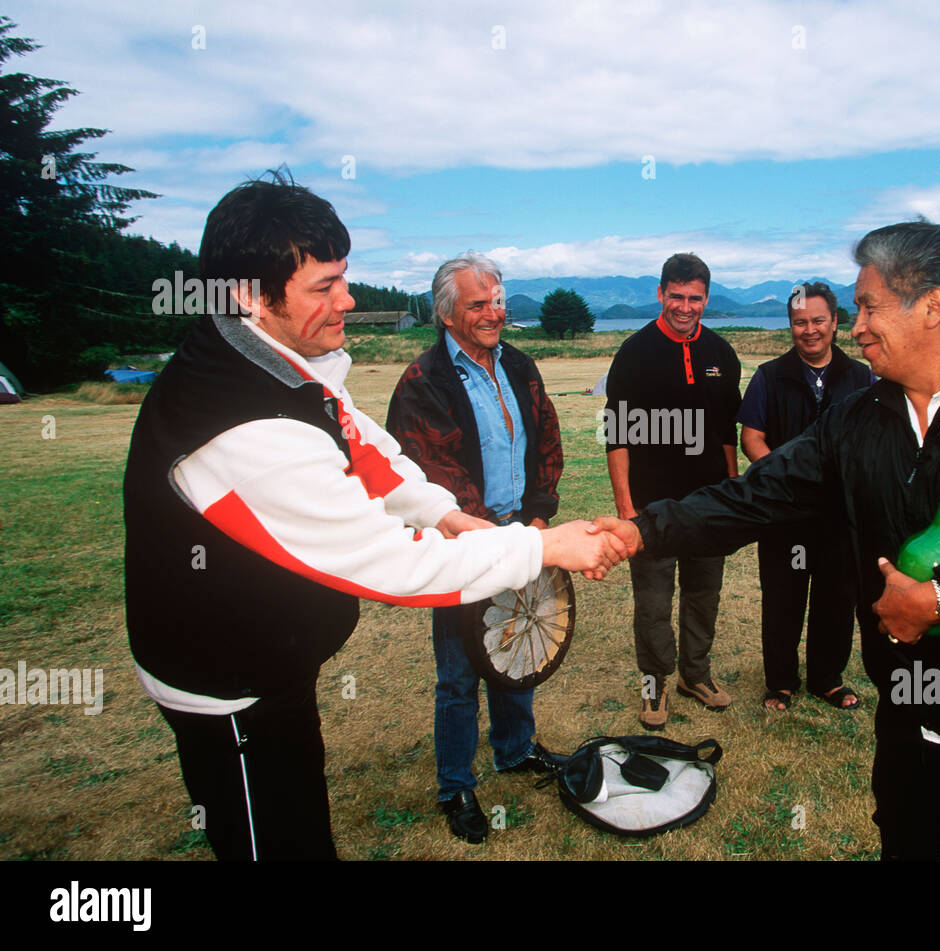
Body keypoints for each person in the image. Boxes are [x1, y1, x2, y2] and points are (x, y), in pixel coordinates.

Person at [123, 174, 624, 861]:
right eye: (324, 286)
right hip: (228, 689)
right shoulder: (245, 431)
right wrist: (541, 550)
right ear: (248, 295)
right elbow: (394, 563)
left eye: (344, 279)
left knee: (301, 814)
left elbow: (372, 453)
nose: (348, 300)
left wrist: (453, 519)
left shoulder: (283, 367)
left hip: (275, 665)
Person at [597, 221, 940, 860]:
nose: (855, 325)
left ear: (933, 304)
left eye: (867, 306)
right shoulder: (858, 419)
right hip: (906, 715)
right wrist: (644, 528)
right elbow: (755, 495)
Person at [386, 254, 569, 845]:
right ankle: (455, 785)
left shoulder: (518, 363)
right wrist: (489, 536)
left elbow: (546, 437)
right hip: (462, 543)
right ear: (446, 314)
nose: (494, 313)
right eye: (478, 304)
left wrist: (538, 514)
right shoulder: (424, 382)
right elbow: (429, 471)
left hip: (522, 530)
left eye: (497, 301)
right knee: (460, 671)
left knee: (519, 647)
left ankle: (514, 751)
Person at [604, 252, 742, 729]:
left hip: (708, 508)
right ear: (661, 294)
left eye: (696, 298)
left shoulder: (722, 355)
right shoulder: (634, 353)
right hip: (651, 509)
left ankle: (695, 676)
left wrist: (730, 494)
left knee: (704, 595)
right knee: (654, 602)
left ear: (706, 298)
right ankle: (653, 686)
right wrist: (626, 507)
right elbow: (617, 434)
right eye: (677, 297)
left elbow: (728, 432)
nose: (686, 307)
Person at [738, 282, 874, 711]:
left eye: (818, 320)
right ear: (790, 326)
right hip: (785, 513)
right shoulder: (769, 376)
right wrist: (783, 477)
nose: (809, 330)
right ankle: (780, 681)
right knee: (782, 597)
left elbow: (874, 438)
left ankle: (827, 679)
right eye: (800, 322)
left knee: (837, 596)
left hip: (839, 514)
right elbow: (751, 438)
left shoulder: (861, 376)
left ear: (835, 323)